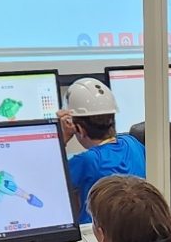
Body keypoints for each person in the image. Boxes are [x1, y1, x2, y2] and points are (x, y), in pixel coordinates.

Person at [61, 78, 146, 224]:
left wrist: (63, 136)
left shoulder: (88, 160)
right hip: (135, 228)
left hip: (95, 235)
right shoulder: (133, 142)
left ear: (79, 129)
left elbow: (47, 181)